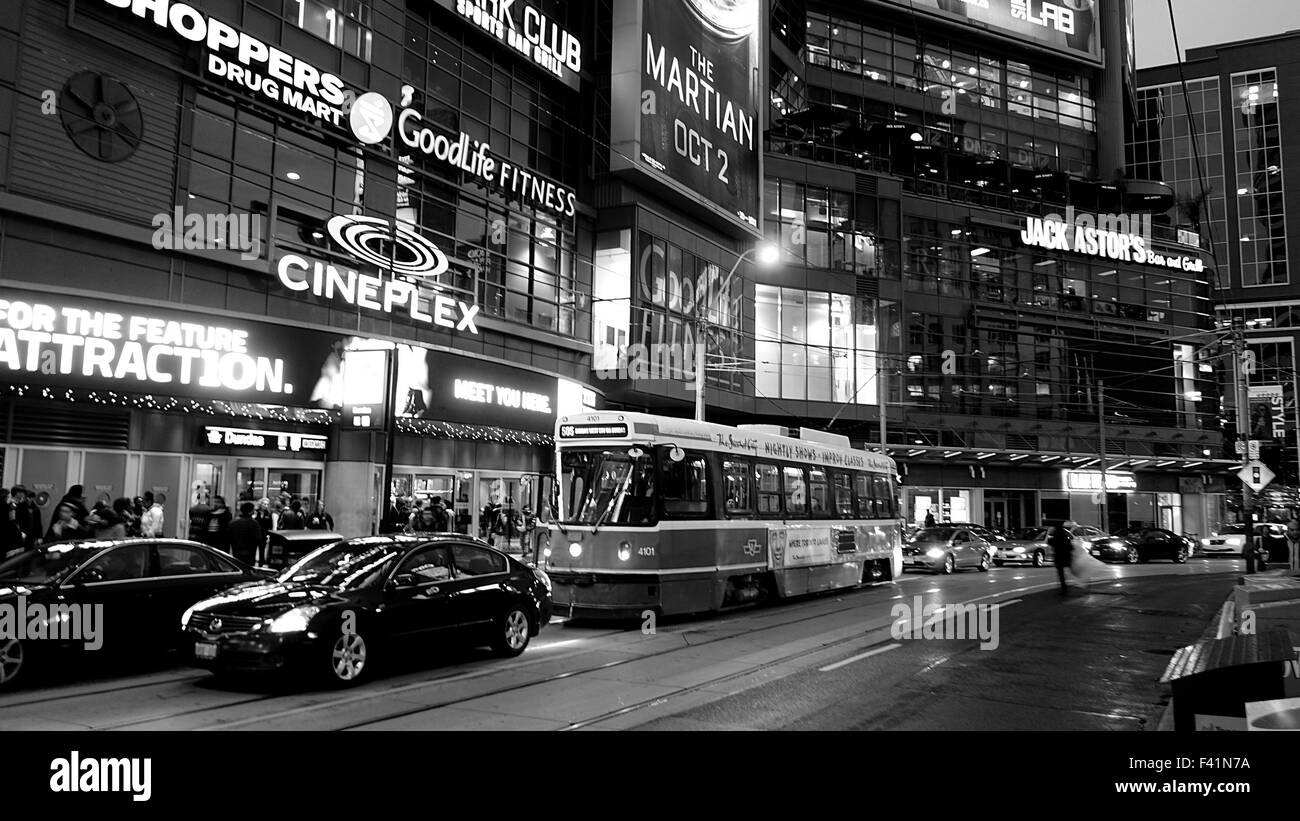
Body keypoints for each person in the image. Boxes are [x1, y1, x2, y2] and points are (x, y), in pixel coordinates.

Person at [229, 502, 263, 566]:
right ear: (250, 511)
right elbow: (258, 538)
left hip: (236, 551)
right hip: (250, 552)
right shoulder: (253, 523)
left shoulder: (233, 522)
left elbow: (228, 537)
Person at [1049, 520, 1076, 596]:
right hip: (1065, 555)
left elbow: (1053, 543)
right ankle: (1064, 588)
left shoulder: (1057, 534)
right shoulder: (1064, 533)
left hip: (1060, 556)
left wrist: (1051, 541)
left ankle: (1064, 588)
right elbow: (1070, 546)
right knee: (1063, 572)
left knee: (1061, 573)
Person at [12, 486, 42, 550]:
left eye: (31, 498)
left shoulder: (35, 509)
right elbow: (17, 521)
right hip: (23, 533)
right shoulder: (20, 507)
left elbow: (38, 524)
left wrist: (39, 536)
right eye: (28, 497)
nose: (29, 499)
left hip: (32, 535)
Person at [0, 488, 24, 558]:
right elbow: (13, 522)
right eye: (9, 497)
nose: (10, 499)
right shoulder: (10, 508)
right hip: (7, 538)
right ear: (5, 497)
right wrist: (19, 533)